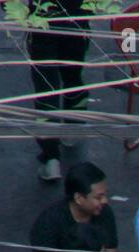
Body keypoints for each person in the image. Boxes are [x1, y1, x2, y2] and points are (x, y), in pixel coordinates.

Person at [27, 0, 90, 182]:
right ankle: (72, 127)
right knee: (73, 78)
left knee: (46, 89)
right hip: (77, 22)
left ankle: (51, 158)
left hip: (43, 26)